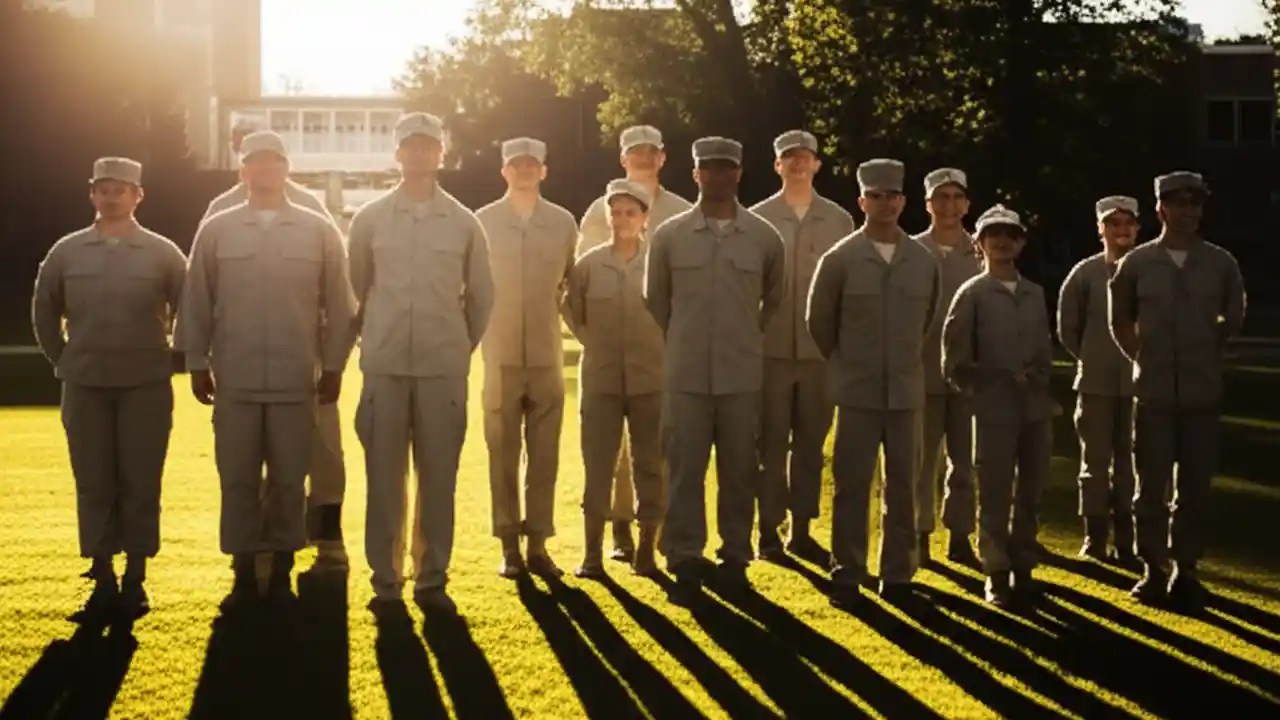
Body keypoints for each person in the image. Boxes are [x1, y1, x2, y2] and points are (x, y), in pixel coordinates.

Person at [180, 130, 355, 608]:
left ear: (286, 169)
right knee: (236, 477)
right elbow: (196, 299)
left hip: (296, 377)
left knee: (287, 478)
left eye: (273, 162)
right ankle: (241, 573)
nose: (264, 171)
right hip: (233, 378)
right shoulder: (218, 227)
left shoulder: (316, 228)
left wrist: (335, 364)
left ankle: (280, 570)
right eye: (254, 163)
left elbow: (341, 304)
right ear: (243, 171)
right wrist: (196, 362)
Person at [348, 112, 493, 613]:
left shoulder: (463, 222)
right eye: (410, 146)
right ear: (397, 153)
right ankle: (385, 579)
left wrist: (455, 347)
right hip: (385, 366)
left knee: (438, 480)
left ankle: (432, 578)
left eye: (428, 146)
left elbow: (481, 299)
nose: (418, 154)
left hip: (441, 369)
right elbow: (355, 289)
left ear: (440, 154)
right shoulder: (369, 220)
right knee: (384, 481)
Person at [32, 157, 186, 622]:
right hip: (86, 383)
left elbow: (190, 310)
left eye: (121, 189)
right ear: (91, 194)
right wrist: (65, 359)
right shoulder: (67, 251)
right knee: (93, 478)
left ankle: (136, 579)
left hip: (144, 383)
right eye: (104, 188)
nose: (112, 196)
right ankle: (101, 578)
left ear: (138, 195)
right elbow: (44, 312)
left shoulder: (162, 253)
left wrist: (174, 357)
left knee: (141, 478)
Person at [645, 136, 786, 601]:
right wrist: (686, 336)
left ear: (739, 173)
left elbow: (772, 300)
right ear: (695, 174)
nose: (718, 176)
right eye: (709, 168)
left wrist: (742, 336)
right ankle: (685, 555)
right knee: (685, 469)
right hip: (685, 373)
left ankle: (735, 555)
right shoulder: (669, 235)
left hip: (741, 374)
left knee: (740, 468)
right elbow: (657, 300)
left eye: (727, 168)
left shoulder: (765, 237)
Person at [1109, 171, 1246, 610]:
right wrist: (1143, 358)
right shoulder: (1138, 263)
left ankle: (1186, 569)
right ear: (1160, 209)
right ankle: (1153, 568)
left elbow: (1232, 319)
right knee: (1149, 488)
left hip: (1202, 394)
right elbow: (1120, 321)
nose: (1187, 211)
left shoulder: (1221, 263)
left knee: (1194, 487)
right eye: (1178, 203)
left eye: (1195, 203)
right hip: (1153, 396)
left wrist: (1207, 354)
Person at [806, 159, 940, 606]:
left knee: (903, 486)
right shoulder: (840, 259)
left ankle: (897, 575)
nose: (885, 204)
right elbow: (819, 323)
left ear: (904, 201)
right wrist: (849, 364)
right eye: (876, 196)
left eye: (893, 196)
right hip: (858, 393)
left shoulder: (922, 261)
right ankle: (847, 570)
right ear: (862, 201)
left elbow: (925, 320)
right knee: (852, 485)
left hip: (905, 392)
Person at [577, 124, 692, 562]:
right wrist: (596, 341)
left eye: (650, 152)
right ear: (622, 158)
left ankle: (656, 536)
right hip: (606, 366)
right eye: (634, 153)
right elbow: (577, 295)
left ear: (662, 157)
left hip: (655, 365)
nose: (642, 158)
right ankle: (616, 534)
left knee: (655, 458)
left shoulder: (683, 211)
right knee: (606, 460)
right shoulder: (594, 214)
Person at [942, 205, 1054, 607]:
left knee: (1031, 490)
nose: (1002, 242)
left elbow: (1044, 349)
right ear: (981, 243)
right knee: (994, 490)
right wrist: (984, 388)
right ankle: (996, 572)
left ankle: (1024, 564)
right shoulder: (971, 294)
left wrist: (1038, 378)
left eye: (1010, 235)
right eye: (993, 235)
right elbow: (953, 361)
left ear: (1021, 242)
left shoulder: (1035, 294)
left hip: (1035, 408)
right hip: (993, 409)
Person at [476, 138, 578, 578]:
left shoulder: (562, 222)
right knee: (501, 452)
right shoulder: (481, 222)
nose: (523, 171)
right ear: (504, 171)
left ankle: (538, 544)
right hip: (498, 355)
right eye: (515, 164)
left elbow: (573, 284)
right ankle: (509, 547)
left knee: (545, 455)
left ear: (544, 170)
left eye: (531, 164)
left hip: (545, 354)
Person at [749, 129, 853, 561]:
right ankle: (770, 531)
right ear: (777, 165)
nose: (797, 163)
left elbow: (847, 289)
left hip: (819, 353)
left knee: (811, 443)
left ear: (817, 165)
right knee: (770, 443)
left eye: (805, 156)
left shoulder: (840, 221)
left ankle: (803, 528)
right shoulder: (754, 219)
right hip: (768, 350)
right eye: (789, 157)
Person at [565, 179, 666, 578]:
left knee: (650, 466)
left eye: (630, 212)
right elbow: (571, 310)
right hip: (601, 380)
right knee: (598, 467)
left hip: (651, 380)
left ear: (644, 219)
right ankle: (592, 554)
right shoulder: (589, 264)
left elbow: (673, 313)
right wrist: (595, 344)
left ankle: (646, 551)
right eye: (616, 212)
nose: (622, 219)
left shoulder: (659, 265)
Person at [1057, 195, 1140, 566]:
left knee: (1133, 464)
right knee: (1094, 464)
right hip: (1095, 384)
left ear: (1138, 227)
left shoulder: (1150, 268)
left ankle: (1129, 539)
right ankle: (1095, 537)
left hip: (1142, 384)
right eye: (1112, 223)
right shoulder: (1084, 274)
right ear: (1099, 229)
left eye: (1127, 222)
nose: (1120, 230)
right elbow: (1067, 329)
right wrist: (1092, 358)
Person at [912, 168, 982, 565]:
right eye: (941, 197)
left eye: (956, 197)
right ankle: (919, 535)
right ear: (928, 205)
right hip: (921, 372)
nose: (949, 205)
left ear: (967, 204)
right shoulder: (911, 250)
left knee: (964, 461)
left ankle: (959, 536)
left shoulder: (981, 252)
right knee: (921, 461)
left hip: (969, 376)